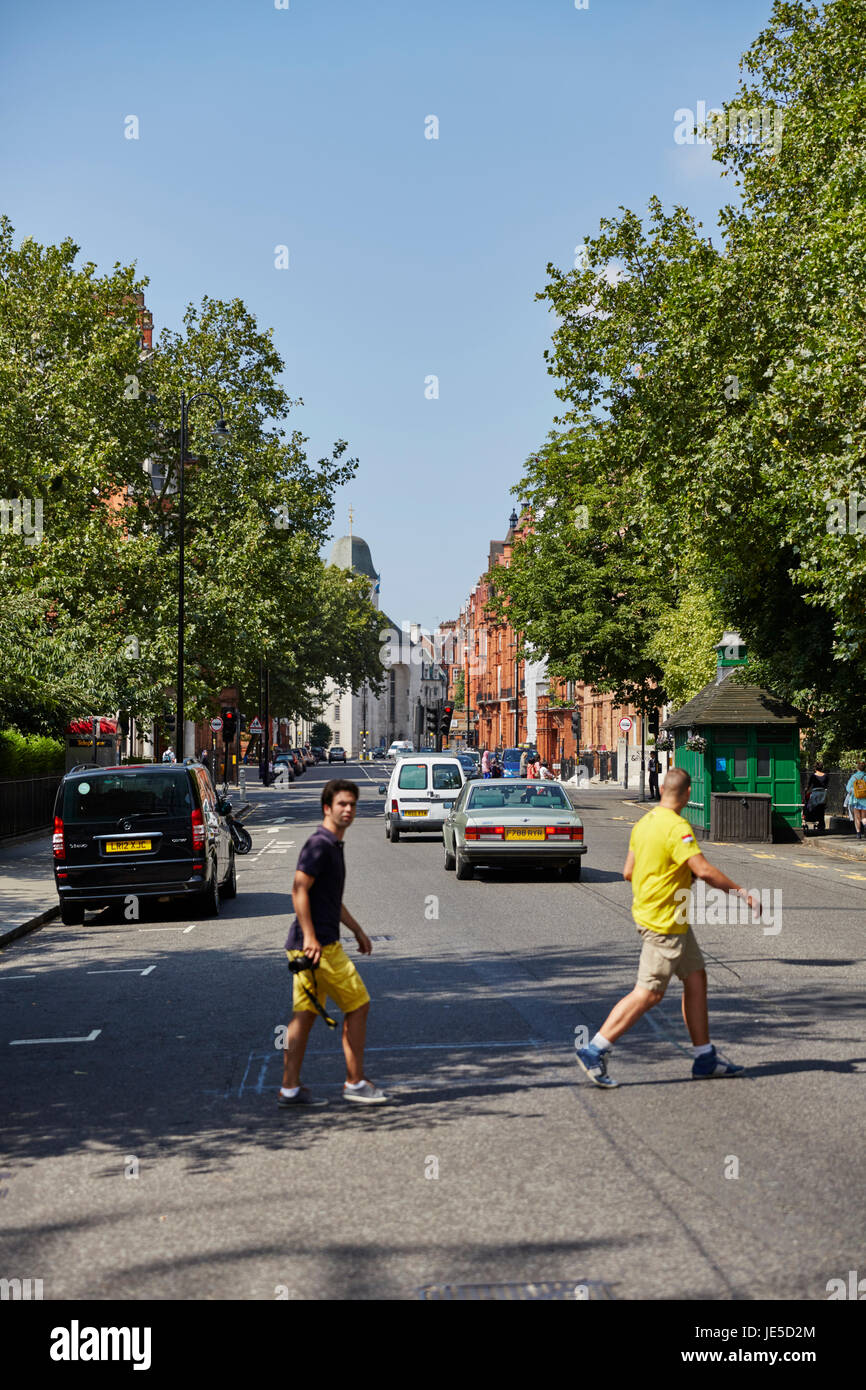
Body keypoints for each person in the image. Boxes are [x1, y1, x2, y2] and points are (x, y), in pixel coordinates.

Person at [575, 767, 762, 1088]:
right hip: (664, 923)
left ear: (662, 789)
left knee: (696, 978)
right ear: (687, 794)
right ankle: (595, 1049)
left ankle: (705, 1057)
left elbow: (628, 872)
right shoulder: (678, 828)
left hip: (668, 920)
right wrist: (742, 893)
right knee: (648, 993)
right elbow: (702, 870)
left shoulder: (644, 823)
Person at [279, 779, 387, 1107]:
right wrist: (311, 936)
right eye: (342, 804)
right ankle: (354, 1082)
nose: (348, 810)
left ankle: (289, 1089)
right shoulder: (320, 844)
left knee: (305, 1015)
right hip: (319, 946)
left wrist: (357, 931)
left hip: (308, 944)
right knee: (358, 1004)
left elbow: (329, 900)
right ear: (328, 808)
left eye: (352, 804)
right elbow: (298, 889)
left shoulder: (333, 845)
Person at [803, 761, 830, 834]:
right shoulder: (826, 776)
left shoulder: (813, 776)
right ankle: (822, 825)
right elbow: (826, 785)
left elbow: (809, 785)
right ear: (822, 768)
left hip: (815, 794)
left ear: (815, 768)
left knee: (813, 807)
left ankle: (813, 818)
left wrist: (806, 791)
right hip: (823, 794)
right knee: (822, 809)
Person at [844, 761, 866, 839]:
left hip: (855, 799)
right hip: (864, 800)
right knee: (864, 817)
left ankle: (858, 833)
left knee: (857, 817)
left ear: (857, 768)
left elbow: (847, 789)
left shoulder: (853, 777)